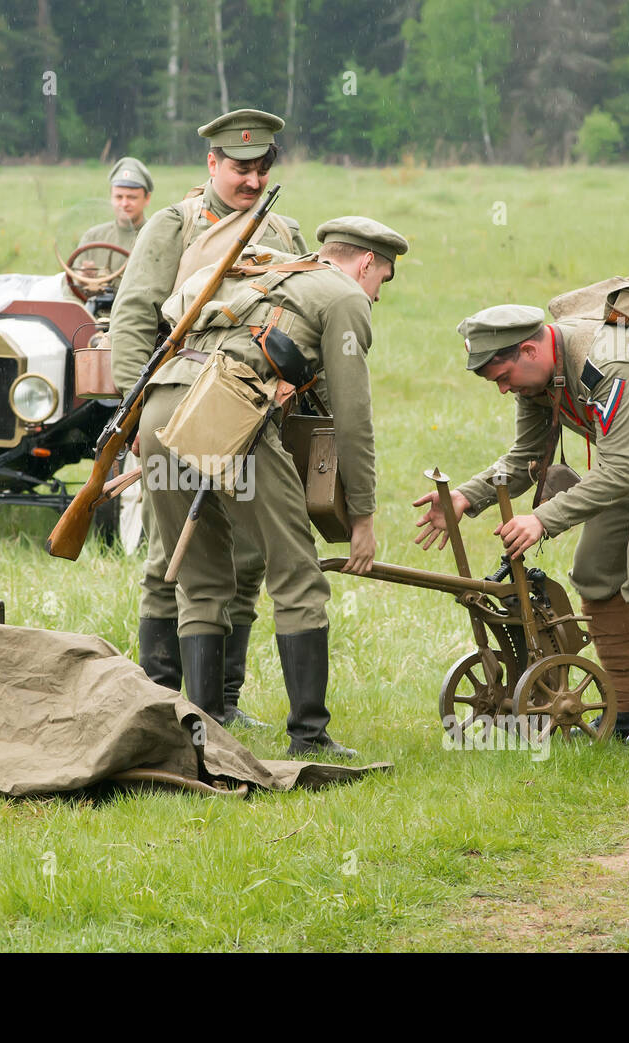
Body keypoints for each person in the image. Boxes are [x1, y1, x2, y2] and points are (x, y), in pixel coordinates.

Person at [413, 304, 629, 748]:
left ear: (531, 349)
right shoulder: (537, 380)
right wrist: (464, 496)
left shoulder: (608, 364)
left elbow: (614, 475)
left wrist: (542, 519)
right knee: (595, 574)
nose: (502, 389)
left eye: (503, 377)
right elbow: (527, 459)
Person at [141, 217, 407, 757]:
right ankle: (310, 736)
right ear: (365, 263)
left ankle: (205, 734)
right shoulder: (344, 296)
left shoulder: (270, 275)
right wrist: (363, 515)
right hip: (227, 416)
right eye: (383, 279)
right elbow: (353, 419)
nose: (377, 295)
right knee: (297, 579)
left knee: (200, 581)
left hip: (158, 412)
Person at [110, 108, 307, 729]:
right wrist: (136, 423)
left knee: (247, 558)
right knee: (172, 555)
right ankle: (163, 701)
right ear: (212, 165)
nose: (251, 181)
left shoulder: (284, 232)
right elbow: (135, 321)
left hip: (254, 420)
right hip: (177, 411)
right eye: (239, 169)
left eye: (261, 168)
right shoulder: (172, 227)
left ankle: (221, 702)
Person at [67, 157, 153, 293]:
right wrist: (82, 280)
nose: (124, 204)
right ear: (111, 197)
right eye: (119, 197)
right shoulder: (93, 237)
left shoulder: (156, 235)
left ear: (147, 199)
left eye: (132, 197)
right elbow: (70, 288)